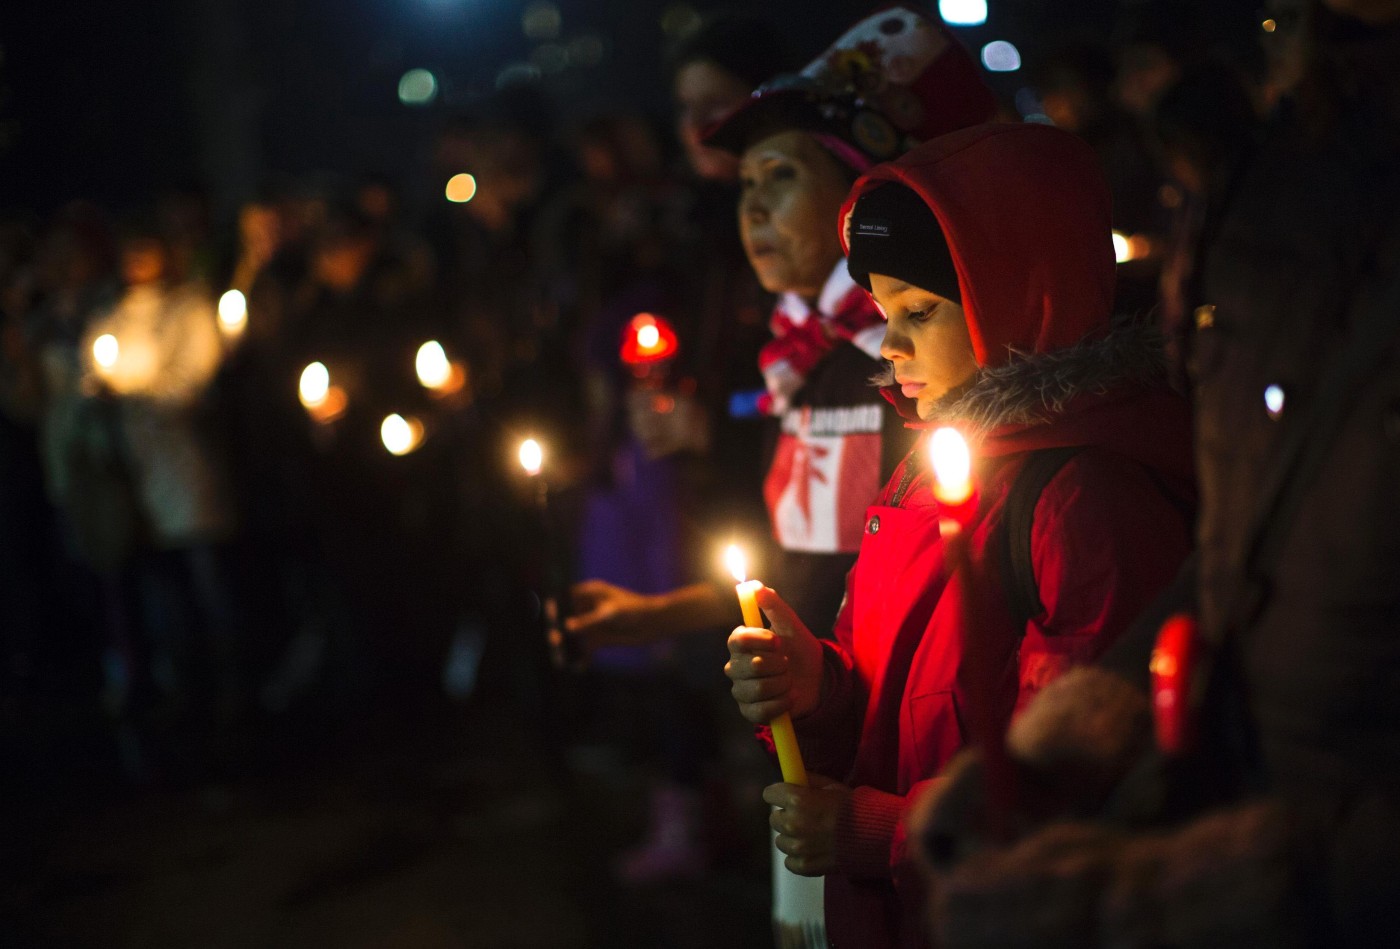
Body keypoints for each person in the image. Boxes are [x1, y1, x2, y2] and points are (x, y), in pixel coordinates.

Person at [913, 3, 1400, 946]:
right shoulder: (1281, 158)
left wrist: (1194, 897)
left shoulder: (1084, 489)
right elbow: (1249, 538)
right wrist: (1080, 734)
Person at [723, 121, 1196, 949]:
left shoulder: (1083, 500)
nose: (891, 342)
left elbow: (1082, 782)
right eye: (880, 308)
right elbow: (889, 693)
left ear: (1018, 294)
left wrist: (880, 832)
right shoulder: (928, 468)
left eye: (920, 310)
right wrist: (816, 687)